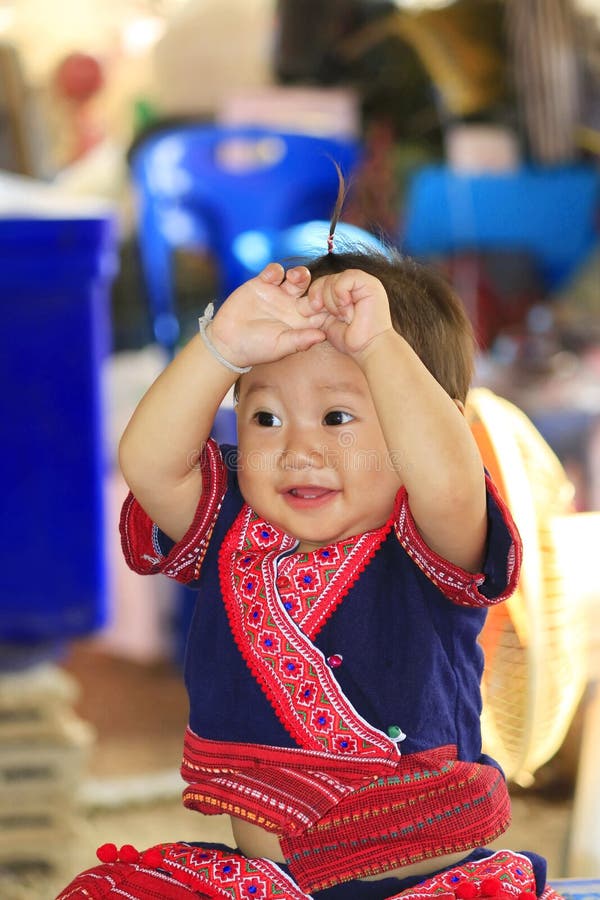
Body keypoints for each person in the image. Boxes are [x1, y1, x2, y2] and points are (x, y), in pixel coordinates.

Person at [56, 210, 563, 899]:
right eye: (265, 417)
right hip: (270, 885)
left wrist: (382, 346)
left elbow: (448, 473)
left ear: (421, 420)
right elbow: (148, 463)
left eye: (337, 417)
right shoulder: (230, 523)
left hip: (428, 885)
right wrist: (221, 346)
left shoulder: (433, 533)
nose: (298, 449)